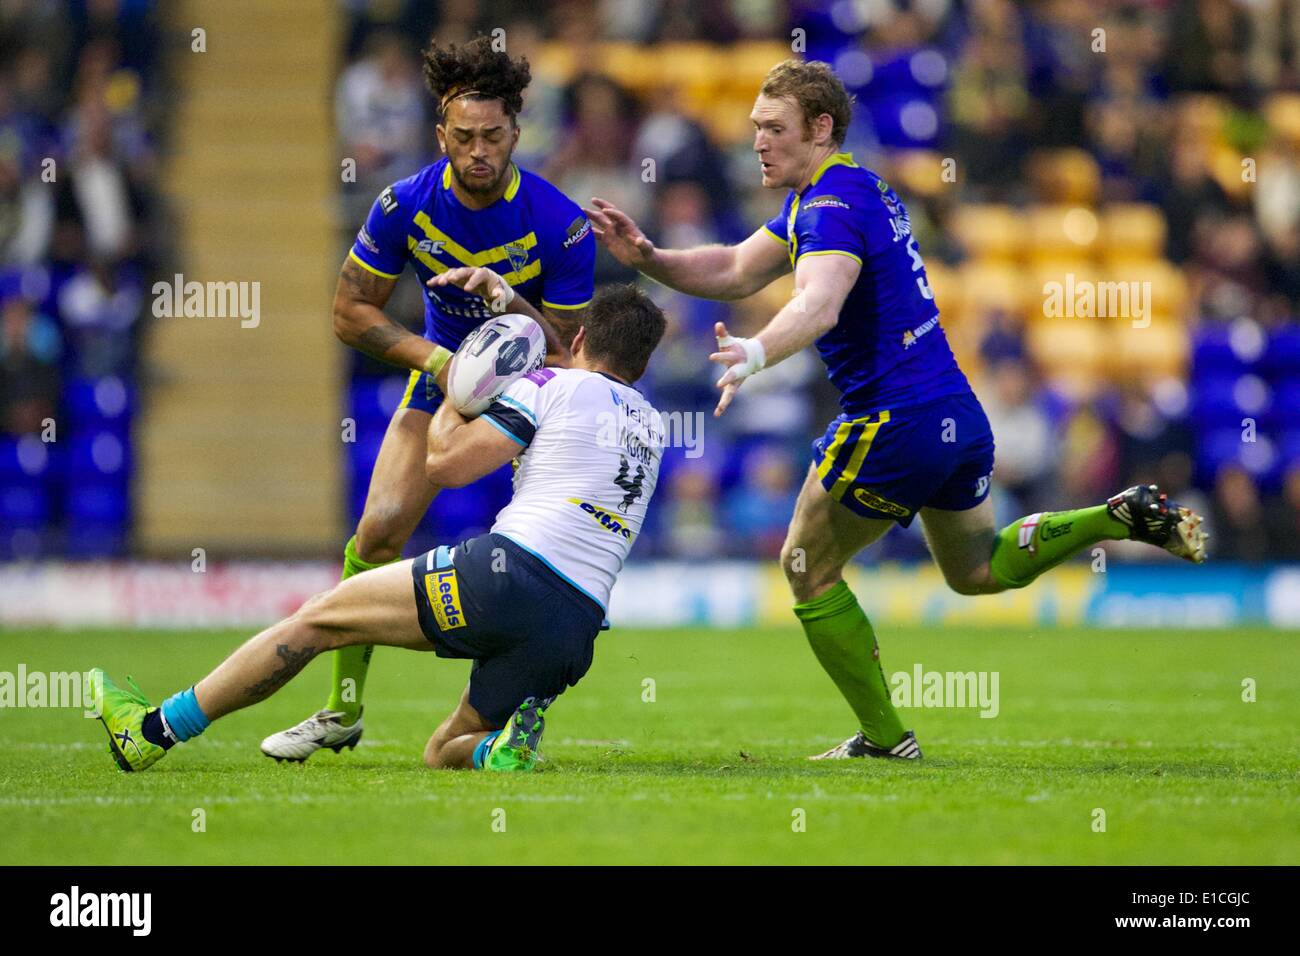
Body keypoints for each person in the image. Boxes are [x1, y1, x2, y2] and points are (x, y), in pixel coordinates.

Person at [584, 59, 1207, 761]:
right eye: (755, 127)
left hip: (894, 420)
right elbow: (733, 269)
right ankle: (1112, 515)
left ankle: (885, 740)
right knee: (976, 570)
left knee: (803, 565)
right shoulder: (849, 191)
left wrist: (757, 353)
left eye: (774, 128)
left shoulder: (827, 208)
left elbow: (819, 301)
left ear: (820, 128)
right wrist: (649, 255)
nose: (757, 141)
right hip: (955, 415)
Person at [91, 284, 666, 773]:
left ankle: (152, 732)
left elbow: (447, 466)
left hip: (507, 575)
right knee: (443, 750)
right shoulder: (654, 426)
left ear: (583, 340)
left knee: (319, 618)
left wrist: (454, 391)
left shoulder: (552, 386)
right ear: (640, 364)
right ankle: (495, 748)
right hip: (575, 627)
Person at [266, 35, 597, 760]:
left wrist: (512, 303)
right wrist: (439, 360)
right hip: (442, 375)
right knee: (378, 532)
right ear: (439, 133)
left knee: (539, 560)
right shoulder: (402, 205)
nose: (479, 151)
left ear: (517, 130)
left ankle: (514, 710)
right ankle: (342, 713)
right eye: (464, 136)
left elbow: (575, 355)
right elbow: (349, 312)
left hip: (542, 396)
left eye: (494, 136)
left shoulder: (559, 221)